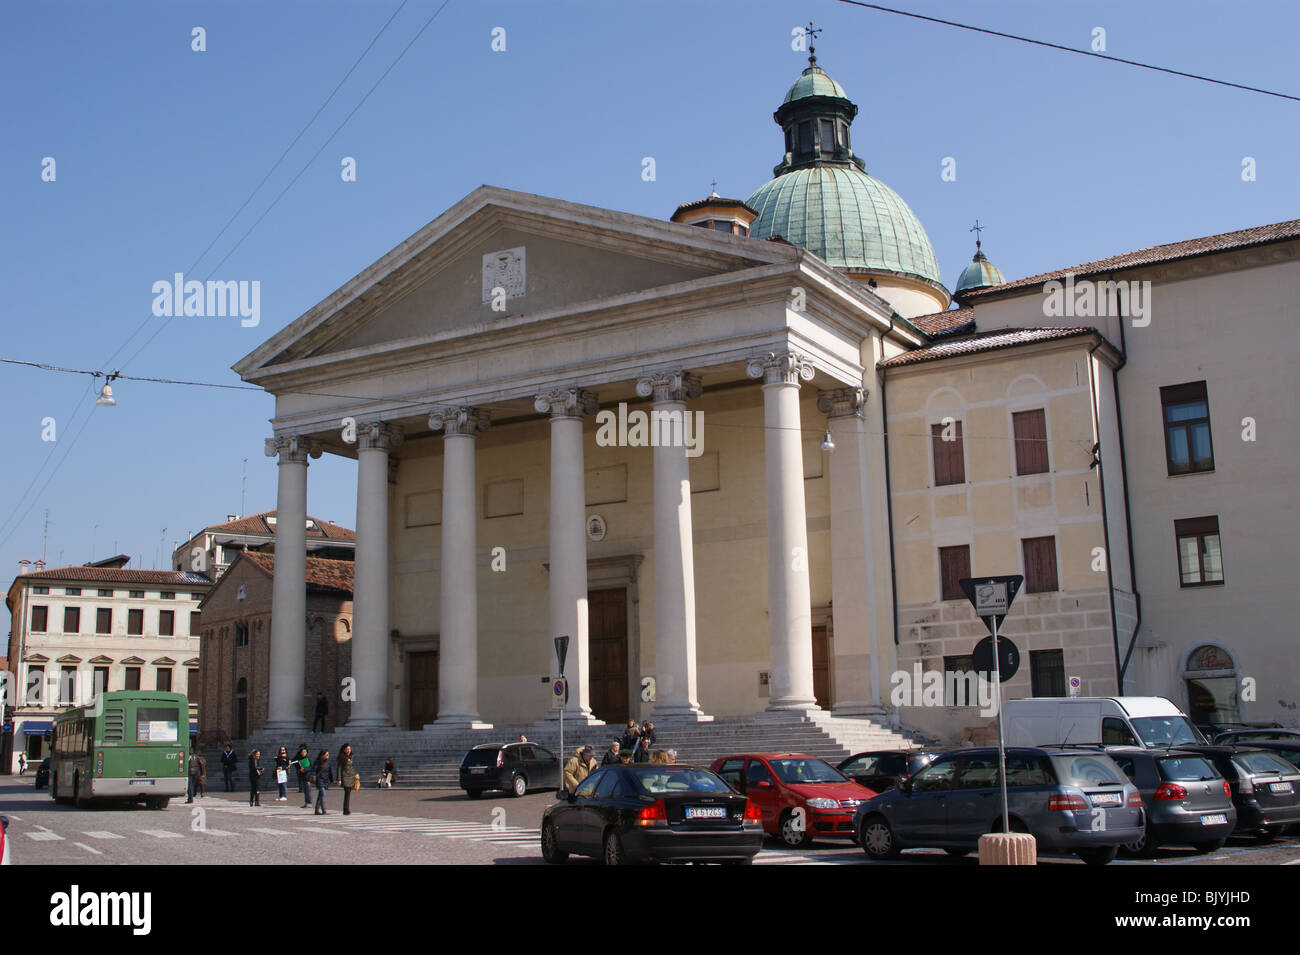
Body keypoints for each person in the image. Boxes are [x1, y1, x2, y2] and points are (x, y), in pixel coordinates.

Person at [312, 750, 334, 815]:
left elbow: (330, 772)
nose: (328, 756)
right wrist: (312, 777)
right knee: (323, 794)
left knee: (320, 795)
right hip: (319, 780)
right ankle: (324, 810)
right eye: (326, 755)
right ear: (322, 755)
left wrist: (331, 780)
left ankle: (316, 810)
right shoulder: (317, 762)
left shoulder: (328, 762)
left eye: (328, 755)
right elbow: (313, 770)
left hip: (325, 780)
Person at [338, 743, 357, 816]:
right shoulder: (341, 757)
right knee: (347, 792)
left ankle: (346, 809)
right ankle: (346, 809)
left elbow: (351, 768)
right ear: (344, 750)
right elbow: (339, 768)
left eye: (349, 749)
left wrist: (355, 774)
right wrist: (339, 779)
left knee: (348, 793)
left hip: (351, 777)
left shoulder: (351, 757)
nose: (349, 750)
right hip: (345, 777)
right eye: (347, 749)